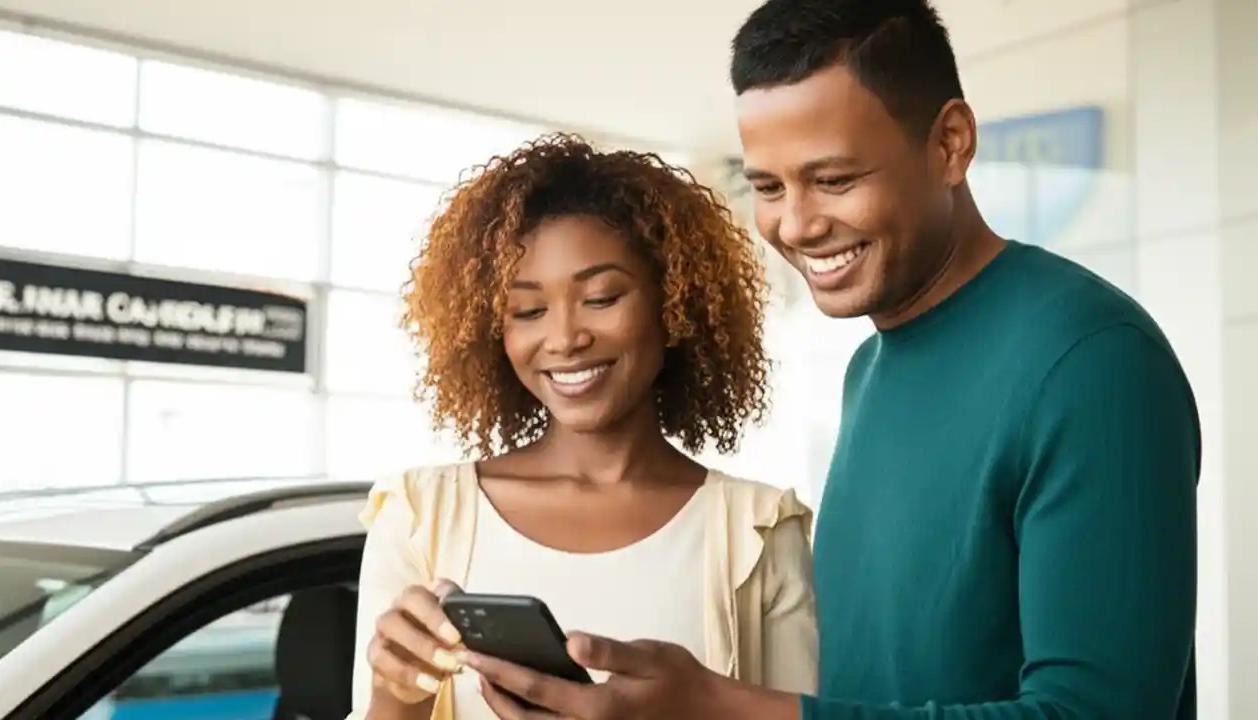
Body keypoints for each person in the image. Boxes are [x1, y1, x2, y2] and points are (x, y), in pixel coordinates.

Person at [463, 1, 1200, 719]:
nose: (798, 224)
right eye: (768, 187)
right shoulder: (869, 370)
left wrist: (729, 709)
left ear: (950, 144)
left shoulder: (1092, 363)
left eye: (835, 180)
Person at [347, 134, 819, 720]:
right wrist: (395, 697)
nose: (566, 338)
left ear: (674, 304)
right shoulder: (422, 517)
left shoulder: (757, 531)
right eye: (528, 311)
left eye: (601, 298)